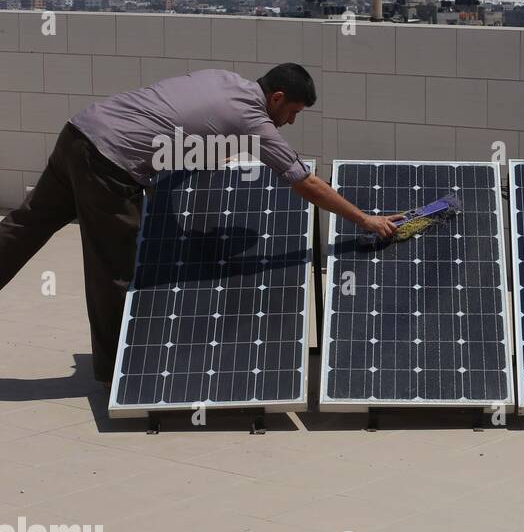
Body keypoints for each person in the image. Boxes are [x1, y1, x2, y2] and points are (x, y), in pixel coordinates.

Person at [0, 63, 402, 388]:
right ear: (276, 98)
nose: (291, 121)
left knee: (28, 224)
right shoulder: (252, 120)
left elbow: (177, 119)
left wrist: (208, 152)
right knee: (117, 268)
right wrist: (365, 219)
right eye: (293, 112)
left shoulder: (221, 78)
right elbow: (305, 183)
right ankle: (122, 374)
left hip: (80, 131)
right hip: (109, 165)